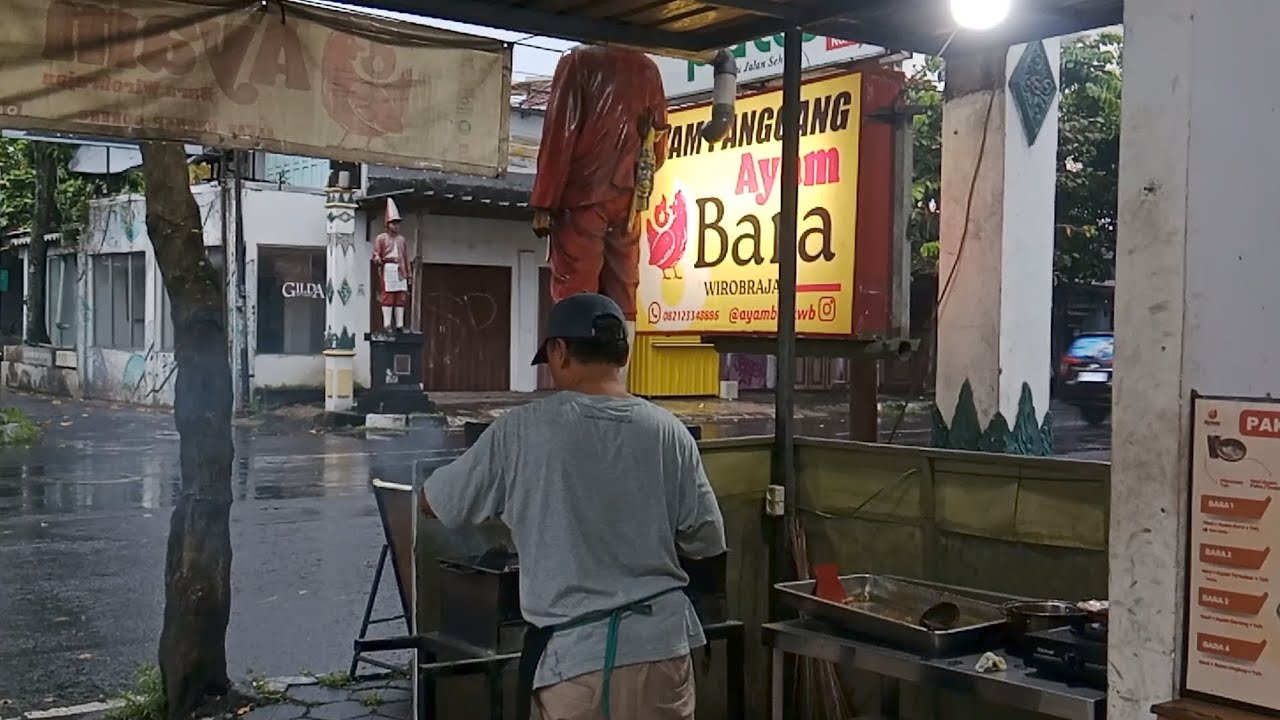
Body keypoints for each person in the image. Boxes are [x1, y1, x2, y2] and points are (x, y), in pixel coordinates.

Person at [419, 292, 726, 720]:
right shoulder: (669, 433)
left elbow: (435, 503)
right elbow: (706, 539)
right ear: (623, 351)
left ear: (559, 351)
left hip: (575, 663)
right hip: (661, 652)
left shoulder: (521, 430)